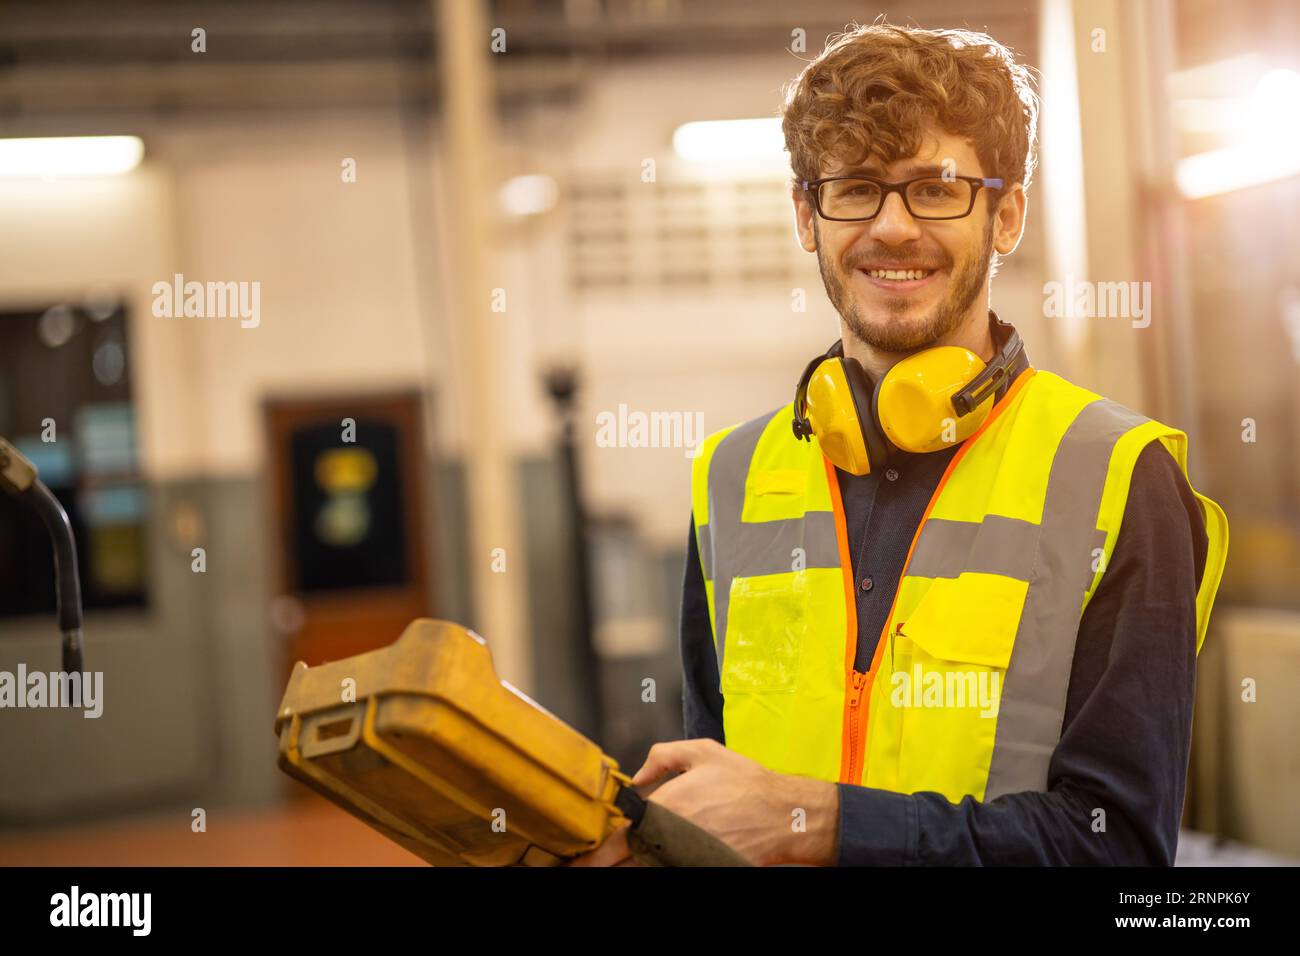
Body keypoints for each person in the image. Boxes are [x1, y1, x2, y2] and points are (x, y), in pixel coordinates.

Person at [571, 21, 1227, 867]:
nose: (892, 227)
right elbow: (726, 809)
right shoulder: (730, 479)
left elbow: (1122, 852)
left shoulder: (1116, 476)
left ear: (1007, 214)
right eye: (856, 189)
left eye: (936, 188)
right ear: (808, 217)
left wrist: (825, 823)